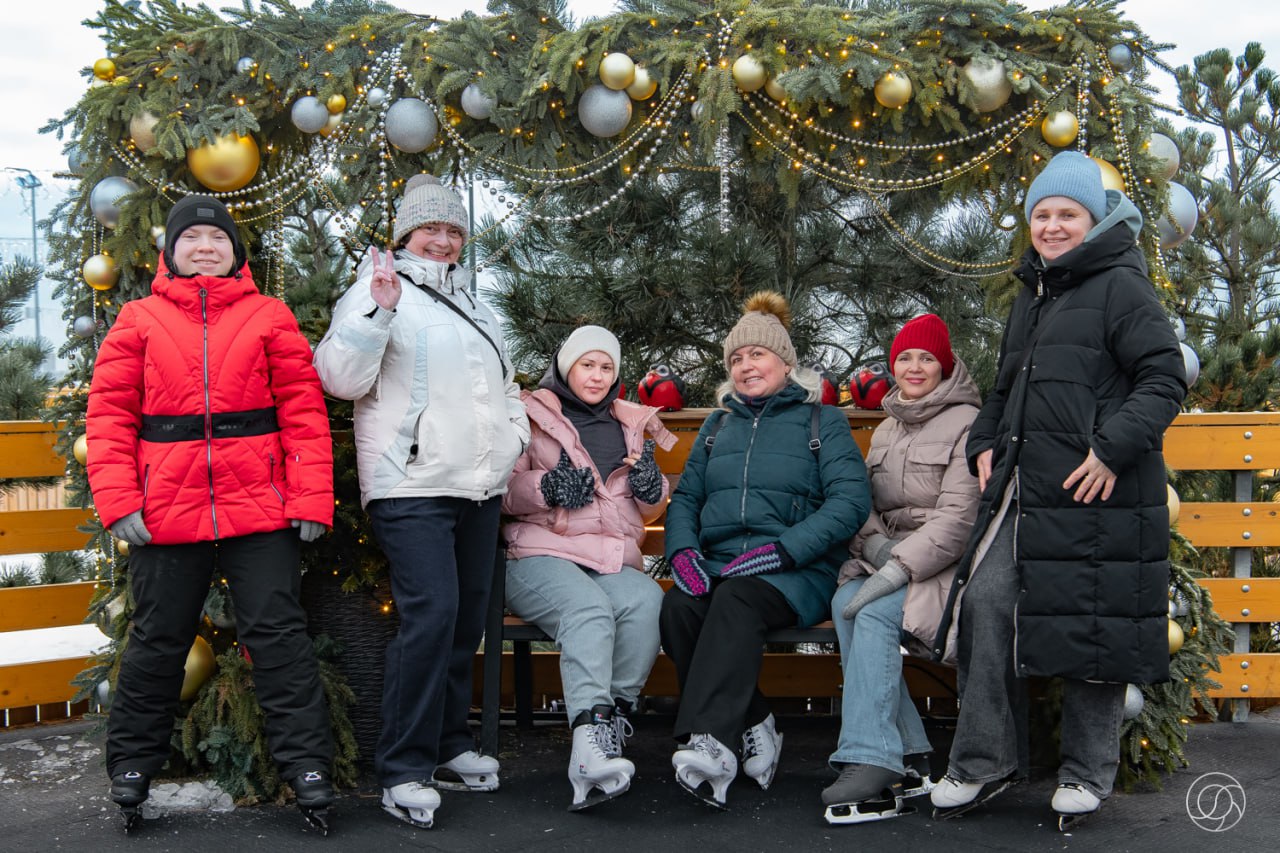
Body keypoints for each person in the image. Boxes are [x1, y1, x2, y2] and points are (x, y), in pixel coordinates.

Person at [927, 151, 1187, 830]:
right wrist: (983, 444)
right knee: (985, 605)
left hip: (1101, 492)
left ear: (1093, 220)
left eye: (1066, 214)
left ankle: (1085, 772)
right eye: (1041, 214)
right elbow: (1008, 383)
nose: (1051, 225)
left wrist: (1110, 448)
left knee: (1091, 625)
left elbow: (1163, 377)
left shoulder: (1121, 285)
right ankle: (984, 762)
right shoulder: (1036, 290)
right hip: (1030, 489)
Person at [86, 195, 336, 834]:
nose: (204, 246)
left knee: (278, 638)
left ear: (236, 251)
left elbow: (303, 411)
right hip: (166, 510)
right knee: (157, 640)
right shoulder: (137, 320)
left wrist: (309, 496)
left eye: (216, 238)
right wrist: (118, 502)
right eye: (191, 237)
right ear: (170, 250)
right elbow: (110, 417)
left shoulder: (269, 315)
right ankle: (132, 769)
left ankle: (308, 768)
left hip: (260, 509)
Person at [313, 174, 529, 829]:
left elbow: (508, 384)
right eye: (430, 228)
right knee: (431, 613)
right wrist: (378, 312)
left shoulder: (478, 303)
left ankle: (447, 743)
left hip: (480, 484)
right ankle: (403, 767)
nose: (442, 239)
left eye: (453, 229)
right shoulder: (379, 289)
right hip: (411, 484)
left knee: (462, 619)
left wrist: (514, 438)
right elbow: (339, 377)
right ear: (406, 234)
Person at [660, 291, 871, 809]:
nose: (746, 366)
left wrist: (783, 552)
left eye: (757, 354)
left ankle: (712, 743)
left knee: (736, 601)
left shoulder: (823, 421)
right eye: (736, 358)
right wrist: (684, 552)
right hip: (722, 563)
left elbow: (850, 502)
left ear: (785, 362)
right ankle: (756, 721)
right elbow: (687, 498)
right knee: (679, 608)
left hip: (798, 569)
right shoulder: (716, 426)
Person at [502, 325, 677, 810]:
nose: (597, 376)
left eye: (606, 367)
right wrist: (547, 487)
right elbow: (500, 489)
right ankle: (588, 741)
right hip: (538, 552)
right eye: (587, 365)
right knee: (589, 611)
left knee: (646, 602)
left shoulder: (630, 422)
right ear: (565, 366)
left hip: (607, 555)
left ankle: (611, 720)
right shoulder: (531, 414)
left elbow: (647, 510)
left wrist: (652, 488)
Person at [821, 314, 981, 824]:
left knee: (873, 612)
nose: (914, 367)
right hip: (889, 554)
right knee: (845, 603)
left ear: (945, 365)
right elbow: (863, 502)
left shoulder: (967, 423)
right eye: (905, 358)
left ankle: (870, 756)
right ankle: (910, 754)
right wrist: (874, 550)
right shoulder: (888, 425)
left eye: (926, 358)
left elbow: (960, 519)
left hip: (945, 564)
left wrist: (897, 568)